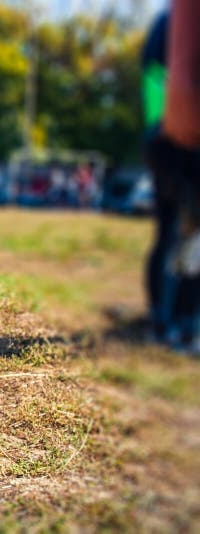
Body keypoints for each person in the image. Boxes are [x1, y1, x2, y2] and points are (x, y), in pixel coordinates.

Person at [143, 1, 200, 352]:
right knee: (185, 237)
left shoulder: (167, 21)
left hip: (165, 138)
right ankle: (174, 324)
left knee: (174, 236)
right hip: (179, 140)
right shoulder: (176, 20)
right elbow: (156, 80)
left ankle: (167, 320)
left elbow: (152, 79)